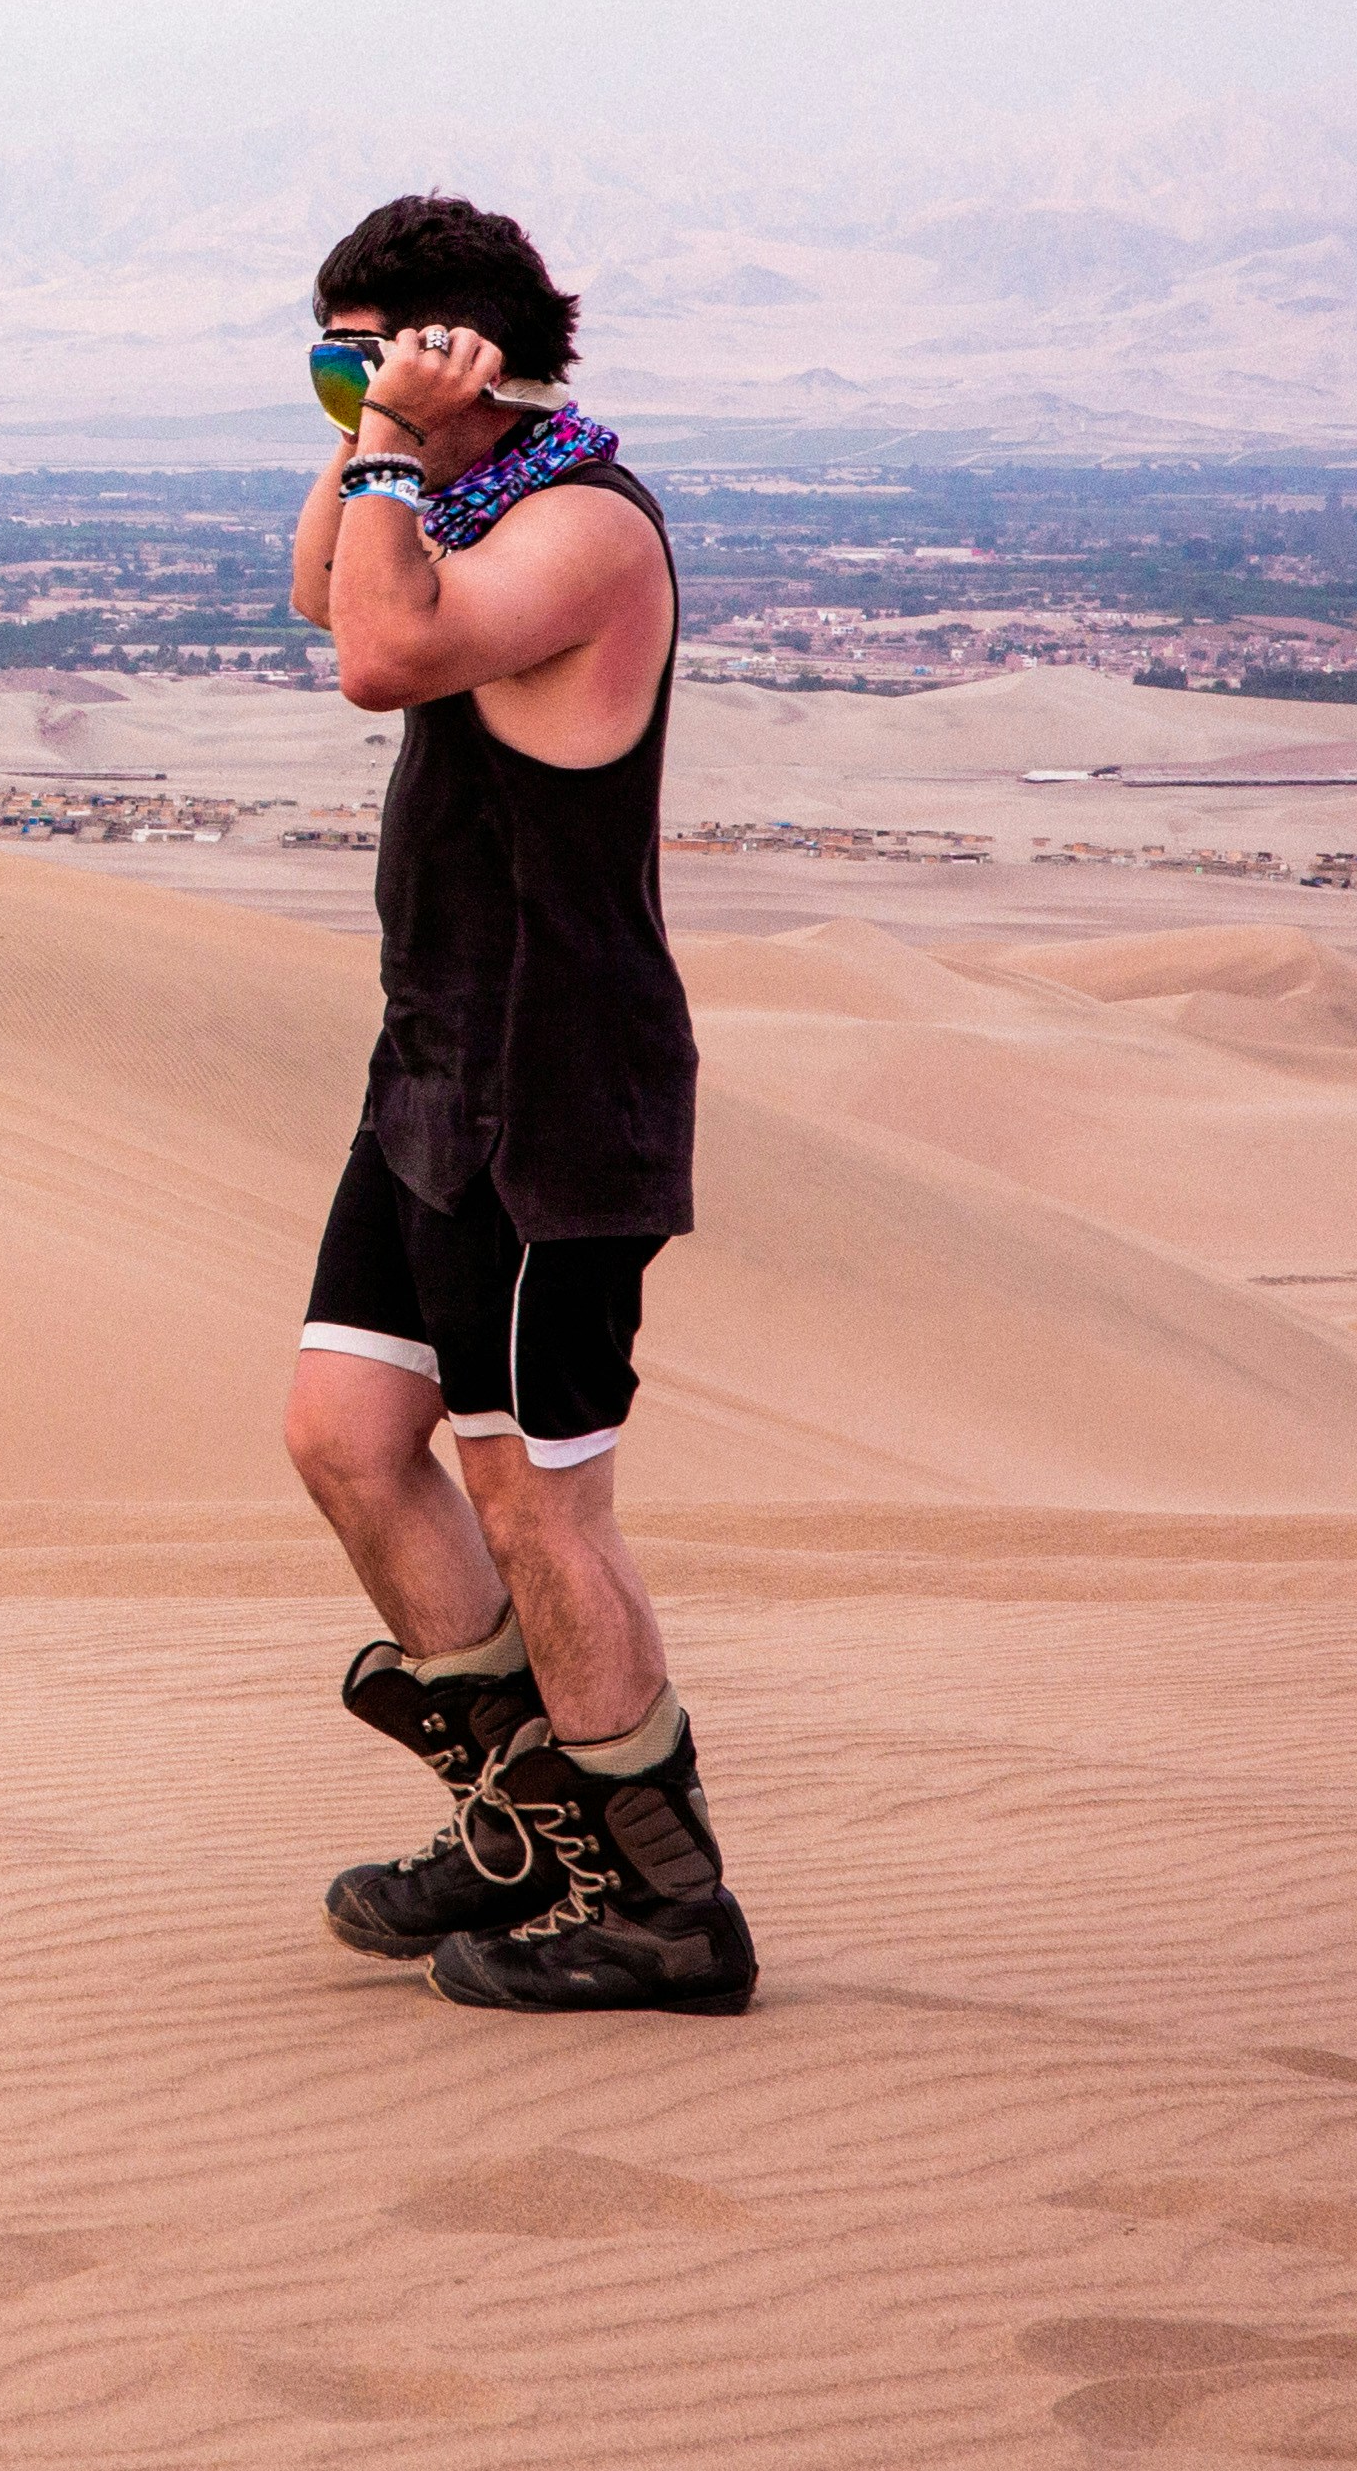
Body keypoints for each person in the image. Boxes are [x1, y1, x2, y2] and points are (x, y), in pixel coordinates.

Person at [278, 193, 757, 2016]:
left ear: (464, 358)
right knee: (344, 1432)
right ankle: (521, 1820)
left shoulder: (579, 529)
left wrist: (398, 433)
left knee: (539, 1504)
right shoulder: (444, 498)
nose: (341, 395)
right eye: (327, 359)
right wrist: (373, 436)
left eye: (366, 351)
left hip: (555, 1097)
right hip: (432, 1071)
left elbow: (379, 655)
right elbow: (325, 584)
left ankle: (662, 1901)